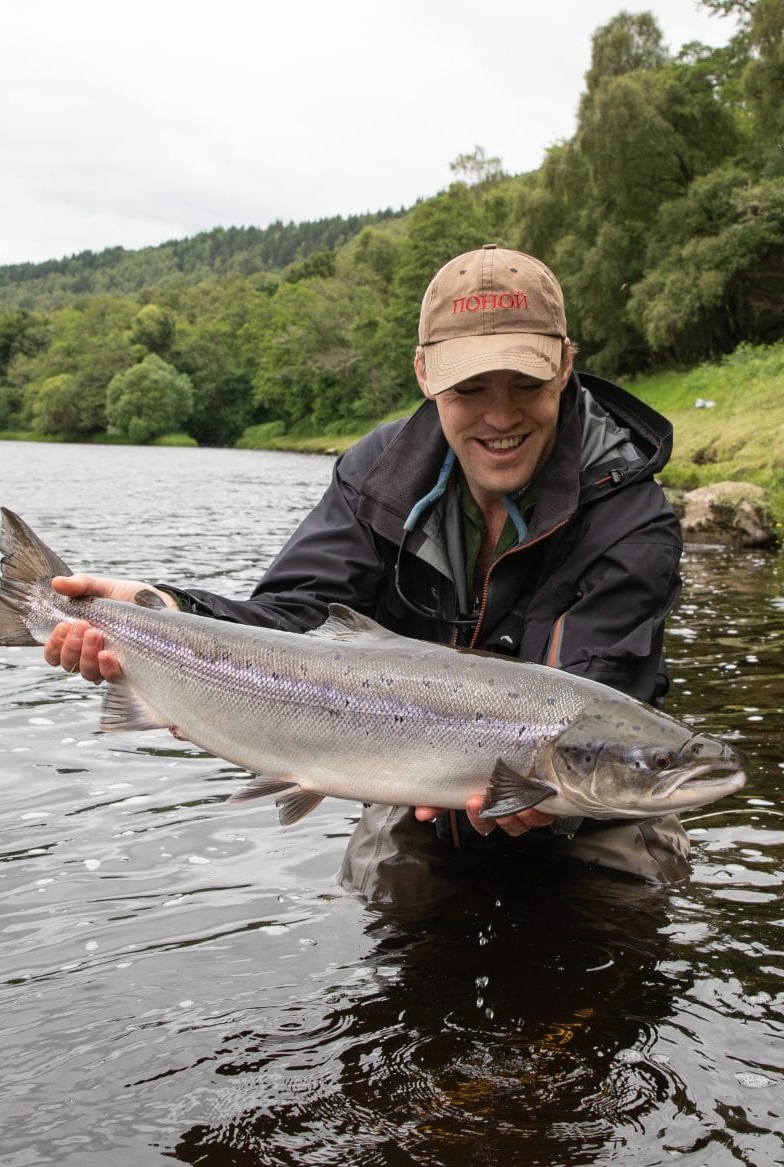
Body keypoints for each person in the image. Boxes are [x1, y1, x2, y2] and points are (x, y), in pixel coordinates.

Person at [44, 244, 690, 905]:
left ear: (565, 364)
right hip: (411, 778)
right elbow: (292, 624)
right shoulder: (380, 474)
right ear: (423, 374)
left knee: (626, 920)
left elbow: (591, 704)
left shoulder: (631, 516)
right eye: (469, 388)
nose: (500, 416)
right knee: (391, 911)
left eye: (525, 383)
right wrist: (161, 608)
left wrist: (541, 787)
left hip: (586, 797)